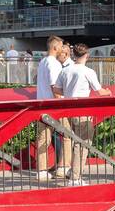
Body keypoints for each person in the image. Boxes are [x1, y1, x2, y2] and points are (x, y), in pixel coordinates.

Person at [52, 43, 111, 183]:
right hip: (82, 110)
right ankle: (76, 177)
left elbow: (56, 90)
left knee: (73, 142)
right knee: (83, 143)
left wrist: (68, 92)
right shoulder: (88, 71)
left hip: (67, 110)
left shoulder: (65, 70)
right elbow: (100, 91)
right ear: (87, 55)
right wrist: (109, 92)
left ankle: (73, 173)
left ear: (73, 55)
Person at [34, 35, 69, 181]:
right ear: (55, 47)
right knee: (68, 135)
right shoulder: (54, 64)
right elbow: (55, 87)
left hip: (41, 104)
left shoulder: (43, 62)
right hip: (55, 105)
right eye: (61, 46)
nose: (63, 49)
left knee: (43, 138)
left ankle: (41, 171)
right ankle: (63, 167)